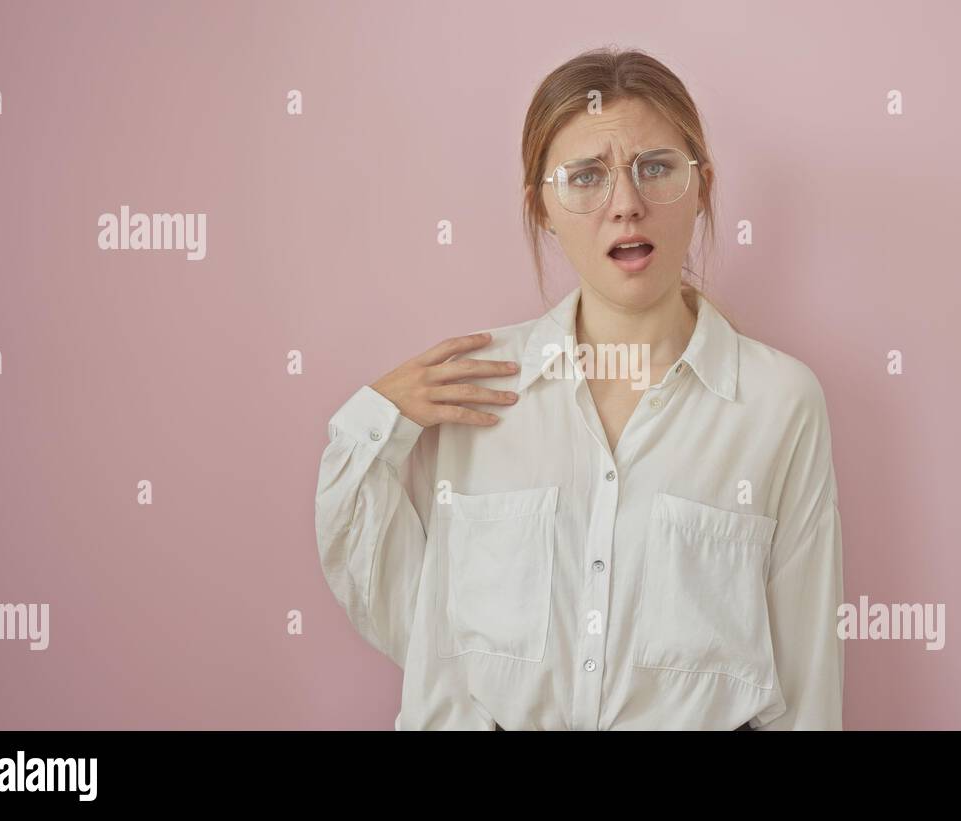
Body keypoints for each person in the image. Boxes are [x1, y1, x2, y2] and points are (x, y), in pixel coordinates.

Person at [314, 47, 843, 730]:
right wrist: (378, 414)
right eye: (586, 177)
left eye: (655, 169)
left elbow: (807, 675)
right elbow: (416, 633)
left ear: (703, 187)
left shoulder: (780, 402)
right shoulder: (474, 390)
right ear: (541, 208)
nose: (626, 205)